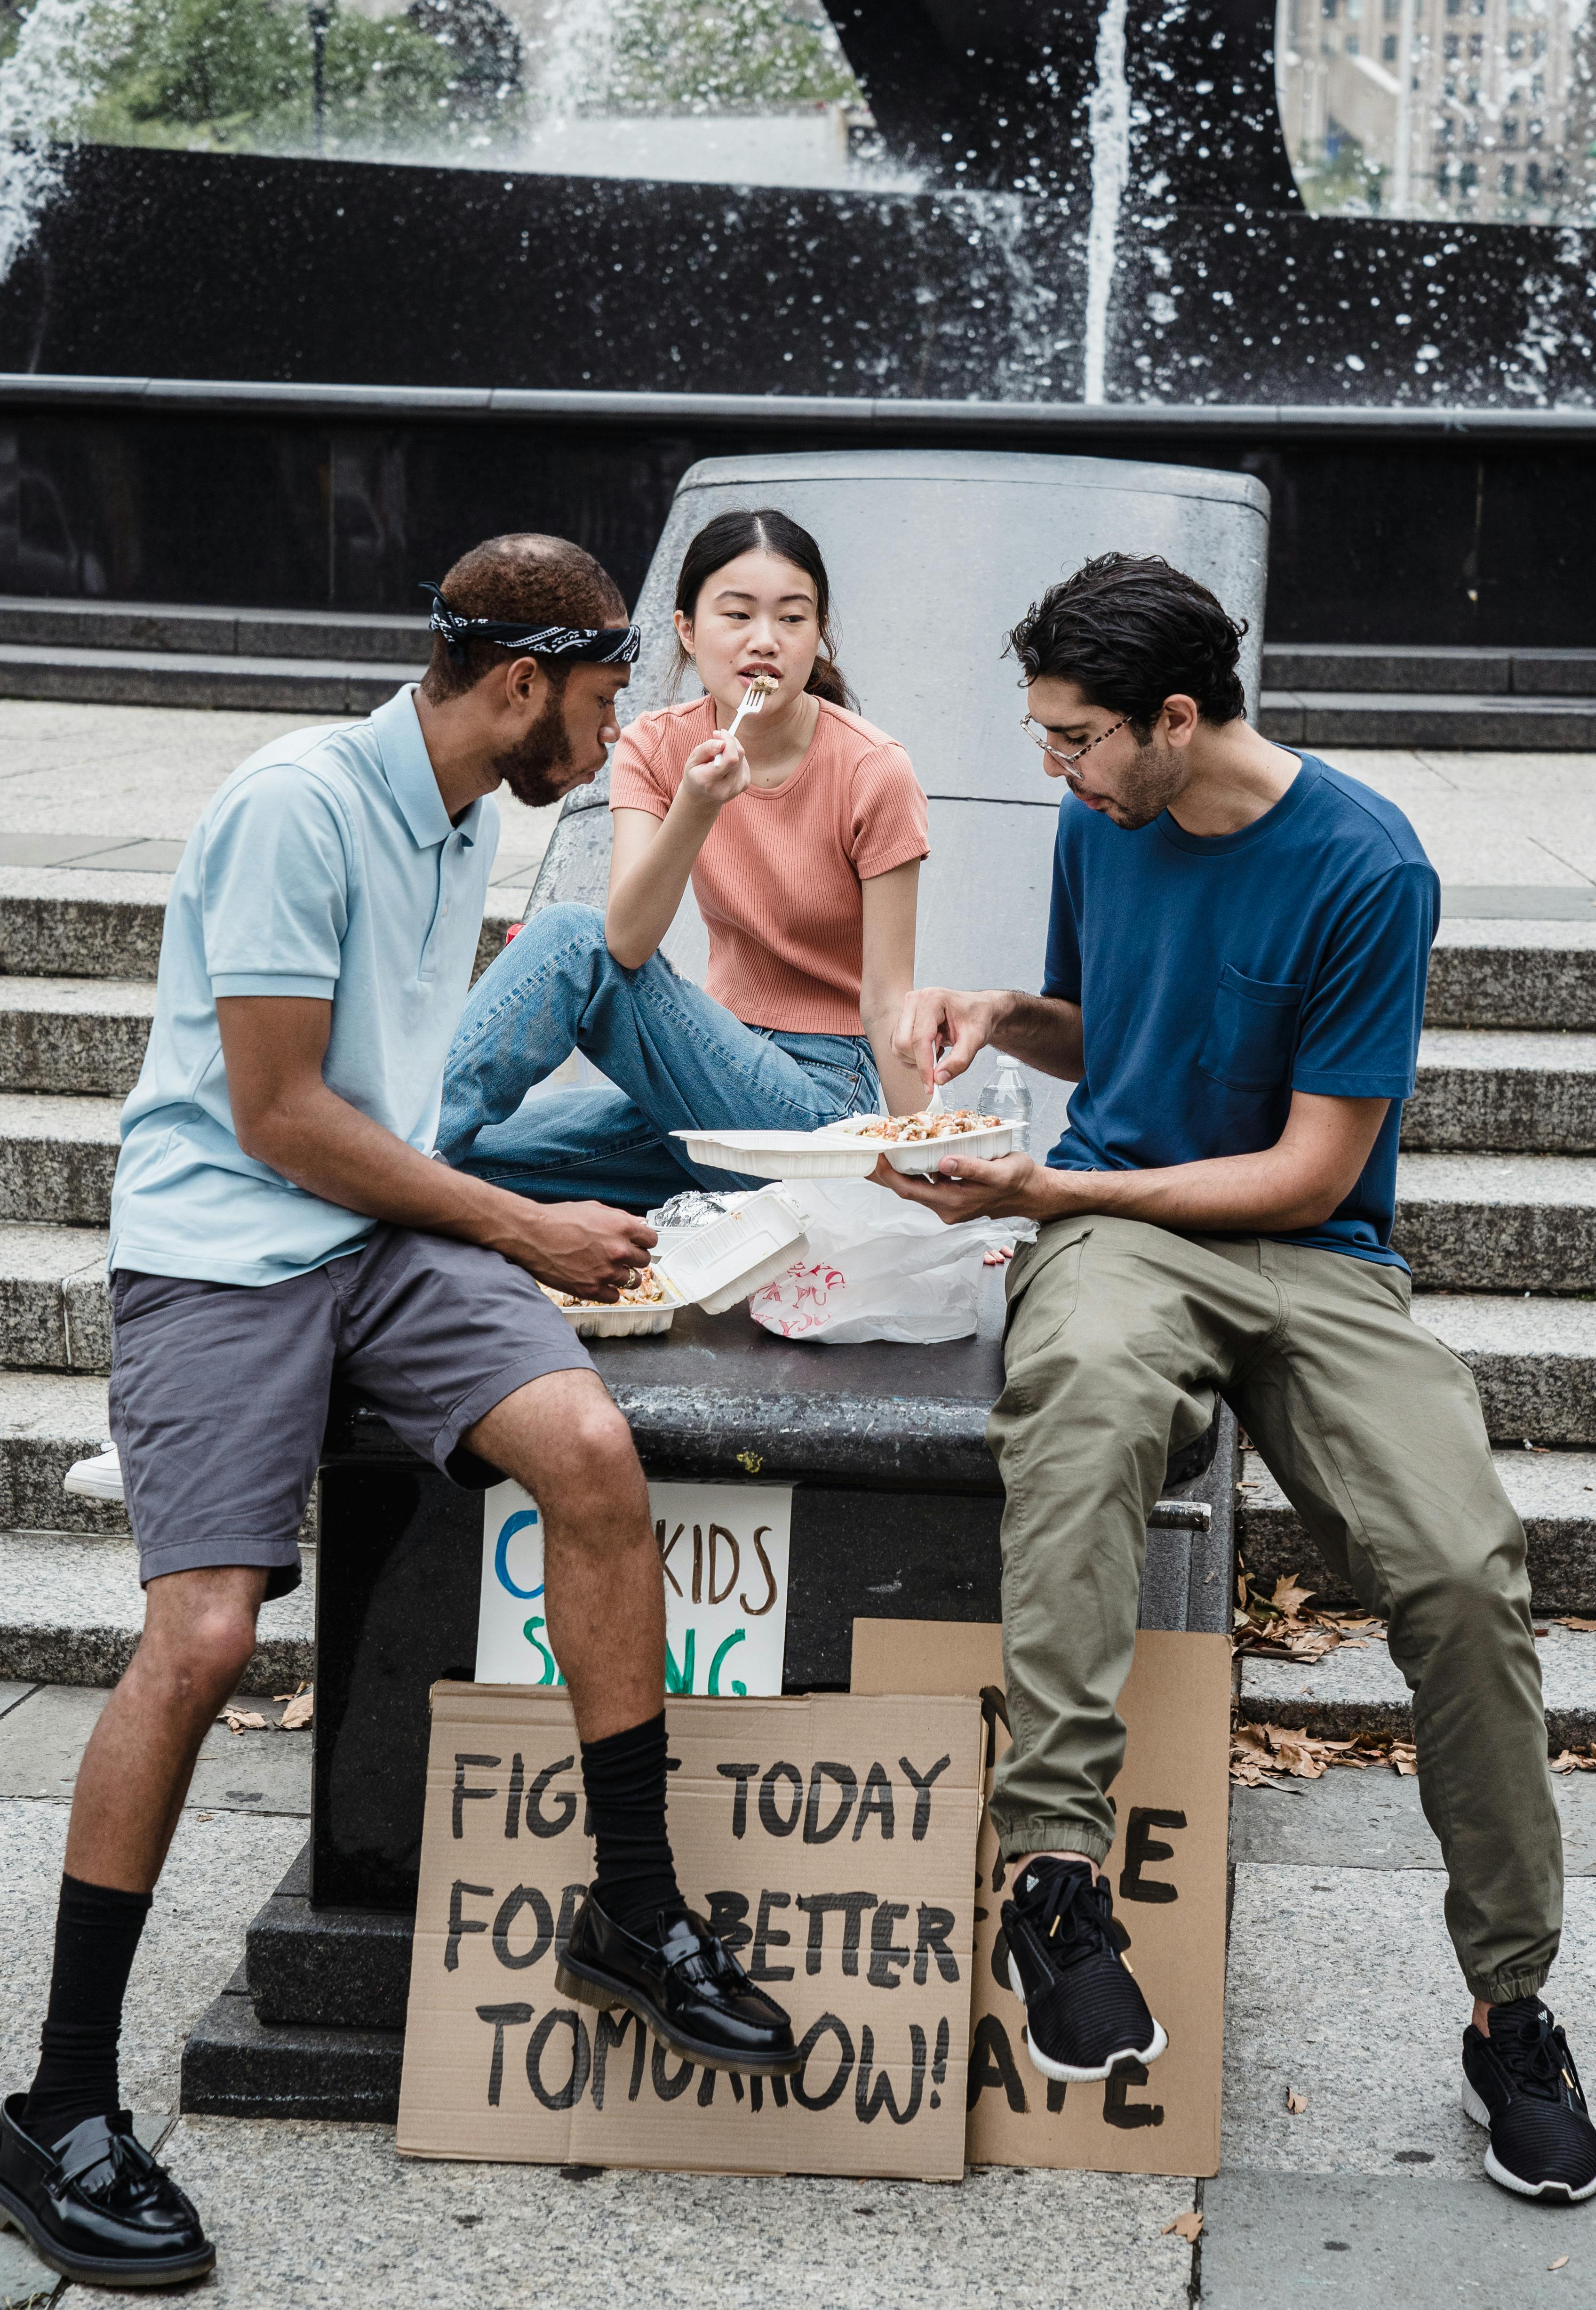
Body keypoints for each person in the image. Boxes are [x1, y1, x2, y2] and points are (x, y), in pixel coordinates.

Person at [0, 535, 798, 2294]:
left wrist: (519, 1219)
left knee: (591, 1454)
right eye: (603, 701)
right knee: (204, 1636)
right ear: (520, 683)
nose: (615, 735)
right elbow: (280, 1113)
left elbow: (396, 1109)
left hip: (382, 1237)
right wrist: (521, 1224)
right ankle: (59, 2102)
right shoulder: (298, 807)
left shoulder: (460, 814)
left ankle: (634, 1905)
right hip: (223, 1243)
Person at [879, 551, 1596, 2205]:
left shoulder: (1366, 866)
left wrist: (1045, 1188)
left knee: (1463, 1569)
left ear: (1178, 719)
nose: (1053, 766)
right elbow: (1108, 1027)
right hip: (1125, 1237)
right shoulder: (1102, 818)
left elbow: (1306, 1170)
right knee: (1082, 1397)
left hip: (1312, 1250)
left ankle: (1510, 2008)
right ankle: (1055, 1876)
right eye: (1047, 734)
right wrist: (1004, 1013)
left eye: (1074, 737)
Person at [437, 507, 929, 1207]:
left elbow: (886, 1004)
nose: (766, 640)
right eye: (738, 615)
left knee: (571, 937)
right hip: (696, 1079)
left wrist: (933, 1180)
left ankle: (394, 1150)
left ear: (818, 634)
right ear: (688, 631)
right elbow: (629, 943)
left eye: (793, 618)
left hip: (820, 1110)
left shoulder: (874, 769)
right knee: (471, 1162)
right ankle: (391, 1165)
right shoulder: (655, 745)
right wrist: (695, 807)